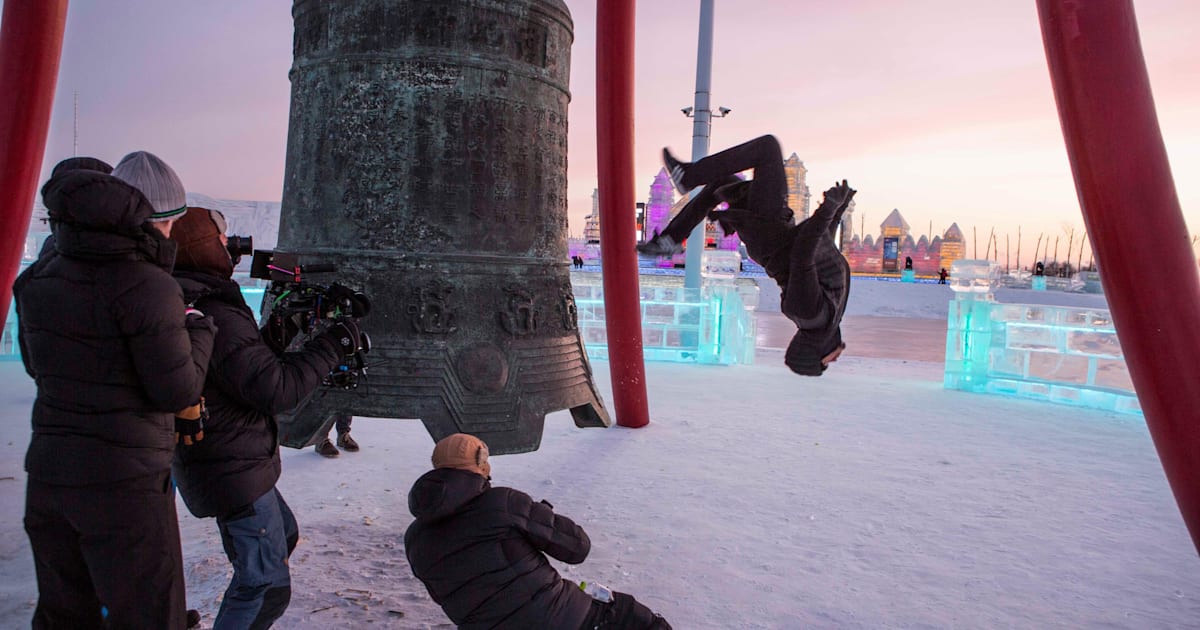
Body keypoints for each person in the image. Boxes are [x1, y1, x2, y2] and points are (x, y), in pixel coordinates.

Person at [14, 154, 216, 629]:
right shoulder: (147, 287)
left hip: (50, 476)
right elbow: (177, 390)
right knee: (147, 615)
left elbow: (35, 367)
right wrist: (200, 329)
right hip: (124, 485)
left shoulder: (37, 279)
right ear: (151, 223)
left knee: (65, 614)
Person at [167, 207, 366, 628]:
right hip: (230, 465)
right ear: (204, 248)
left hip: (230, 460)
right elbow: (275, 389)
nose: (232, 248)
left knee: (284, 534)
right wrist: (334, 346)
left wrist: (282, 327)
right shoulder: (213, 310)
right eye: (222, 241)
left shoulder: (194, 296)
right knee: (265, 588)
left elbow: (243, 368)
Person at [639, 135, 856, 376]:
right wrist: (838, 211)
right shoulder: (826, 315)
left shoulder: (809, 313)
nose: (837, 357)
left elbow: (804, 254)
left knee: (767, 149)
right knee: (719, 185)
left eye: (828, 362)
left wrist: (827, 210)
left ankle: (688, 178)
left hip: (770, 230)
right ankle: (670, 238)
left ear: (816, 352)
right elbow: (824, 251)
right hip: (773, 231)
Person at [406, 433, 672, 629]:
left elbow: (445, 596)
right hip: (560, 619)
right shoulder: (502, 503)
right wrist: (538, 514)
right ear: (481, 466)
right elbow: (577, 547)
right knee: (635, 618)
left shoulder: (414, 538)